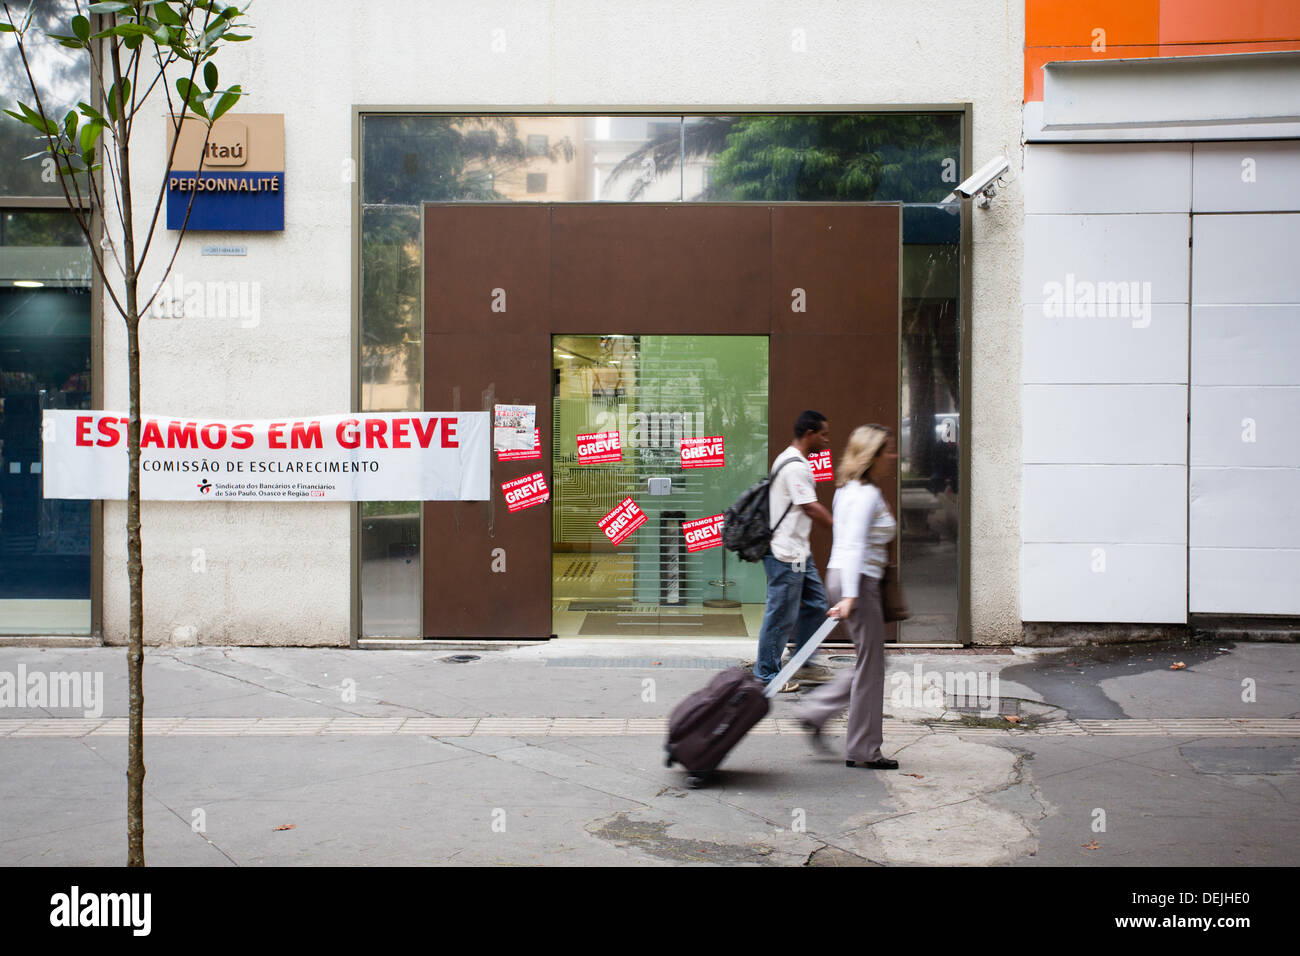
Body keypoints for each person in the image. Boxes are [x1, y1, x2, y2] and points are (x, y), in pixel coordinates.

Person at [797, 424, 900, 769]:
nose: (893, 456)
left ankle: (816, 711)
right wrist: (852, 597)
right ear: (871, 455)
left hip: (844, 576)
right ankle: (863, 750)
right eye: (887, 450)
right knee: (871, 667)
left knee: (869, 663)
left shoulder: (847, 490)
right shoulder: (865, 494)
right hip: (858, 581)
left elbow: (848, 541)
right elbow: (853, 543)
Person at [753, 410, 834, 693]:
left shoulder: (787, 458)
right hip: (786, 553)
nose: (826, 441)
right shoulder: (796, 466)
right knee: (780, 615)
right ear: (809, 433)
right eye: (822, 434)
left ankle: (802, 660)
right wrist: (839, 526)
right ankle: (766, 674)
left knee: (816, 604)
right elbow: (810, 506)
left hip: (799, 552)